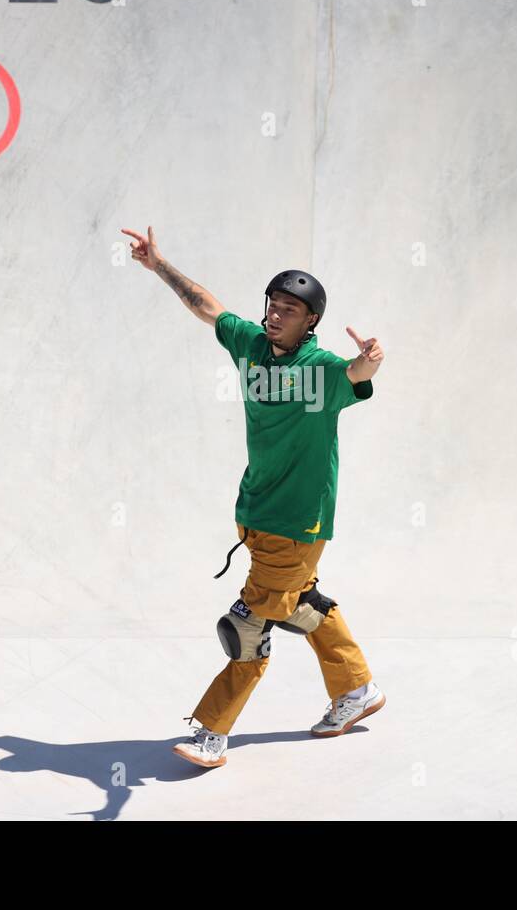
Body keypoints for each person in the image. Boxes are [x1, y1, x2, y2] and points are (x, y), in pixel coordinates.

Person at [121, 225, 386, 768]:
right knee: (301, 607)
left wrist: (373, 358)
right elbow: (208, 307)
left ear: (311, 320)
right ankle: (357, 688)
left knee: (246, 627)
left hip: (298, 522)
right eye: (273, 304)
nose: (276, 314)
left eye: (290, 308)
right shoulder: (250, 346)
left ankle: (213, 734)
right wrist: (159, 266)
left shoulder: (323, 371)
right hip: (257, 514)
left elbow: (358, 372)